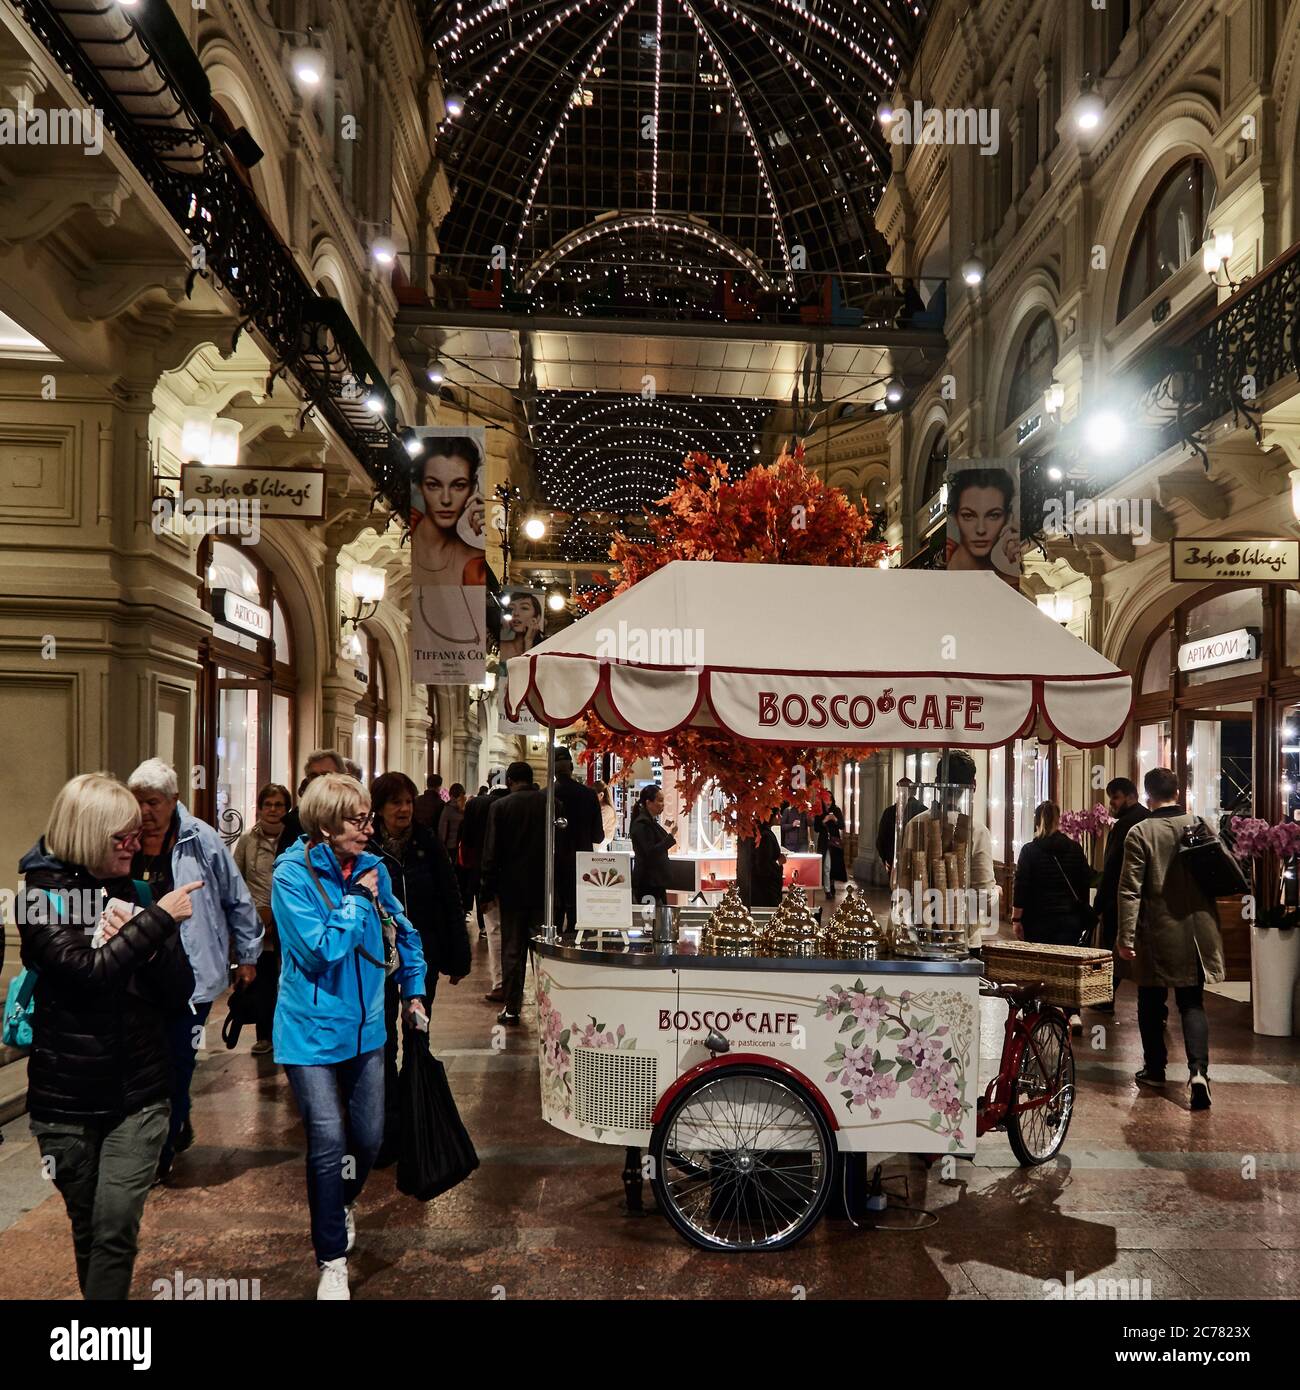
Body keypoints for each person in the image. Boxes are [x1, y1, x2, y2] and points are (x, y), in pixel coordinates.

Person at [18, 773, 200, 1300]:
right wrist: (157, 923)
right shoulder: (37, 901)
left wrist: (154, 934)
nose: (135, 845)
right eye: (121, 838)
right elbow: (89, 973)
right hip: (65, 1101)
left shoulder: (136, 889)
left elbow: (178, 990)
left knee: (116, 1226)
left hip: (139, 1095)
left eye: (136, 835)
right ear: (88, 835)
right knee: (90, 1230)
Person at [271, 774, 428, 1298]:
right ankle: (331, 1258)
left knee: (368, 1137)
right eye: (357, 820)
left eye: (368, 818)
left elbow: (405, 932)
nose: (369, 828)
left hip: (366, 1029)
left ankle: (339, 1201)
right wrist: (358, 902)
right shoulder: (291, 877)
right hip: (309, 1032)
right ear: (324, 824)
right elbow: (319, 951)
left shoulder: (373, 867)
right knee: (328, 1140)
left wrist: (414, 990)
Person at [128, 759, 262, 1181]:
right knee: (144, 1062)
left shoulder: (200, 839)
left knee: (178, 1059)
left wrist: (247, 955)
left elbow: (236, 899)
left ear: (173, 801)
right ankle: (174, 1122)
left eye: (153, 802)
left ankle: (163, 1146)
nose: (145, 812)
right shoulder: (122, 837)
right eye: (138, 802)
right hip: (135, 973)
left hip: (190, 974)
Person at [367, 771, 469, 1160]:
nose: (404, 808)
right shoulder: (367, 848)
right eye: (395, 802)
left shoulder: (427, 842)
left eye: (408, 801)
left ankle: (416, 1124)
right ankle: (387, 1127)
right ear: (379, 808)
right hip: (375, 961)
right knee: (382, 1040)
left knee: (417, 1035)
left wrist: (458, 957)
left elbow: (450, 897)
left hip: (419, 961)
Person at [1117, 767, 1224, 1111]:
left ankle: (1156, 1069)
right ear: (1179, 791)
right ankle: (1198, 1073)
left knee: (1151, 1001)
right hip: (1197, 930)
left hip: (1158, 930)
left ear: (1148, 794)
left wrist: (1125, 936)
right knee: (1192, 1003)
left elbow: (1130, 891)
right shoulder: (1200, 826)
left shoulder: (1140, 833)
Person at [897, 751, 999, 945]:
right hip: (963, 940)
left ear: (937, 782)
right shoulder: (977, 831)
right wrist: (997, 892)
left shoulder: (915, 824)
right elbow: (983, 897)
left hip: (920, 935)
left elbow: (903, 884)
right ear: (973, 786)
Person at [1013, 801, 1095, 1033]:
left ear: (1037, 820)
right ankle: (1073, 1014)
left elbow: (1022, 886)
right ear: (1058, 820)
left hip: (1037, 919)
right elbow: (1084, 881)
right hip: (1068, 919)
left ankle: (1034, 1011)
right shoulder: (1074, 848)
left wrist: (1016, 919)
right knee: (1068, 967)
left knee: (1039, 966)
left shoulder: (1030, 850)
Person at [479, 762, 547, 1025]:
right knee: (542, 949)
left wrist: (486, 890)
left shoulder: (500, 807)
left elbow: (490, 853)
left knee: (512, 949)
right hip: (543, 890)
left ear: (510, 781)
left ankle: (512, 1006)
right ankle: (546, 1006)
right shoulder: (549, 804)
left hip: (511, 890)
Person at [233, 782, 292, 1055]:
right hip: (257, 920)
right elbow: (237, 878)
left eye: (278, 804)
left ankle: (288, 1032)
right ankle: (264, 1035)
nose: (272, 809)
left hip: (289, 917)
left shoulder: (292, 838)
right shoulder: (247, 840)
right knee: (265, 979)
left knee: (287, 978)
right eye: (268, 804)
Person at [1095, 776, 1150, 1013]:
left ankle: (1105, 998)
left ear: (1130, 796)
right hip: (1145, 899)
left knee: (1112, 949)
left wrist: (1097, 905)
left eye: (1115, 798)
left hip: (1119, 899)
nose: (1112, 804)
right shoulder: (1148, 820)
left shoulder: (1125, 826)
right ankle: (1154, 1009)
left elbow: (1112, 868)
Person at [410, 436, 487, 588]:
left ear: (472, 488)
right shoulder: (403, 528)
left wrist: (490, 536)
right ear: (420, 485)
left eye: (458, 485)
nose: (446, 499)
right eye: (434, 485)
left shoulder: (477, 567)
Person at [552, 749, 604, 933]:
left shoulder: (547, 796)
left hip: (554, 865)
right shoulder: (588, 795)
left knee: (554, 920)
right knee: (579, 923)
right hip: (581, 865)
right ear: (572, 768)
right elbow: (599, 836)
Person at [945, 467, 1023, 584]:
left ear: (1007, 517)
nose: (981, 529)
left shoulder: (1012, 587)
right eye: (969, 515)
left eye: (993, 515)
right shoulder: (936, 573)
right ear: (955, 517)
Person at [277, 750, 346, 854]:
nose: (319, 781)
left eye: (325, 775)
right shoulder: (295, 823)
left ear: (341, 778)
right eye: (314, 776)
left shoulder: (354, 817)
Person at [629, 784, 676, 906]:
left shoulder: (650, 822)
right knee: (651, 921)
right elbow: (650, 852)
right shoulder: (642, 824)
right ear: (649, 803)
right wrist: (670, 837)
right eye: (659, 800)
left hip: (655, 882)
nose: (663, 804)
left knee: (659, 919)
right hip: (648, 882)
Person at [875, 788, 927, 876]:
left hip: (895, 861)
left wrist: (886, 859)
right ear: (915, 792)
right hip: (918, 862)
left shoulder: (889, 812)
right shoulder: (924, 811)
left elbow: (880, 840)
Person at [737, 810, 783, 908]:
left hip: (760, 887)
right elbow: (763, 864)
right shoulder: (765, 836)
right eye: (777, 814)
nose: (780, 816)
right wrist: (779, 862)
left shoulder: (760, 833)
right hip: (765, 890)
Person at [814, 798, 848, 898]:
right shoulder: (819, 812)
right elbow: (816, 828)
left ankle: (832, 884)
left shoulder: (837, 810)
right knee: (827, 866)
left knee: (834, 865)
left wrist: (835, 819)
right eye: (826, 800)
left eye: (830, 800)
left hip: (835, 843)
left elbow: (842, 825)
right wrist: (824, 821)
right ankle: (827, 890)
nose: (828, 802)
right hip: (824, 843)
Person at [498, 590, 545, 662]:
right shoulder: (500, 647)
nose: (516, 613)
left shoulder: (544, 651)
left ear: (537, 617)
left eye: (524, 608)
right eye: (511, 608)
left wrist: (528, 641)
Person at [439, 783, 466, 866]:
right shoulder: (466, 808)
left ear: (451, 795)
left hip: (450, 846)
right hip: (463, 846)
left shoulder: (447, 809)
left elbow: (442, 831)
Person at [595, 782, 618, 846]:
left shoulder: (606, 810)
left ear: (601, 795)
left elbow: (597, 826)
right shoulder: (602, 808)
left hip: (599, 846)